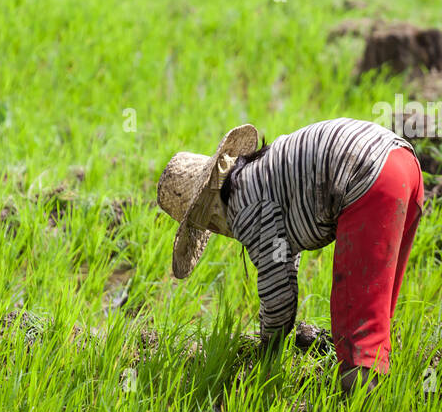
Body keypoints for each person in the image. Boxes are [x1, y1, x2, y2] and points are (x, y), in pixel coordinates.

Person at [157, 118, 424, 394]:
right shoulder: (261, 174)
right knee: (373, 307)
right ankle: (379, 399)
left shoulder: (243, 205)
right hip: (402, 163)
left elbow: (279, 294)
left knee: (355, 328)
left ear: (211, 214)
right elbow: (283, 258)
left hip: (368, 178)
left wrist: (267, 352)